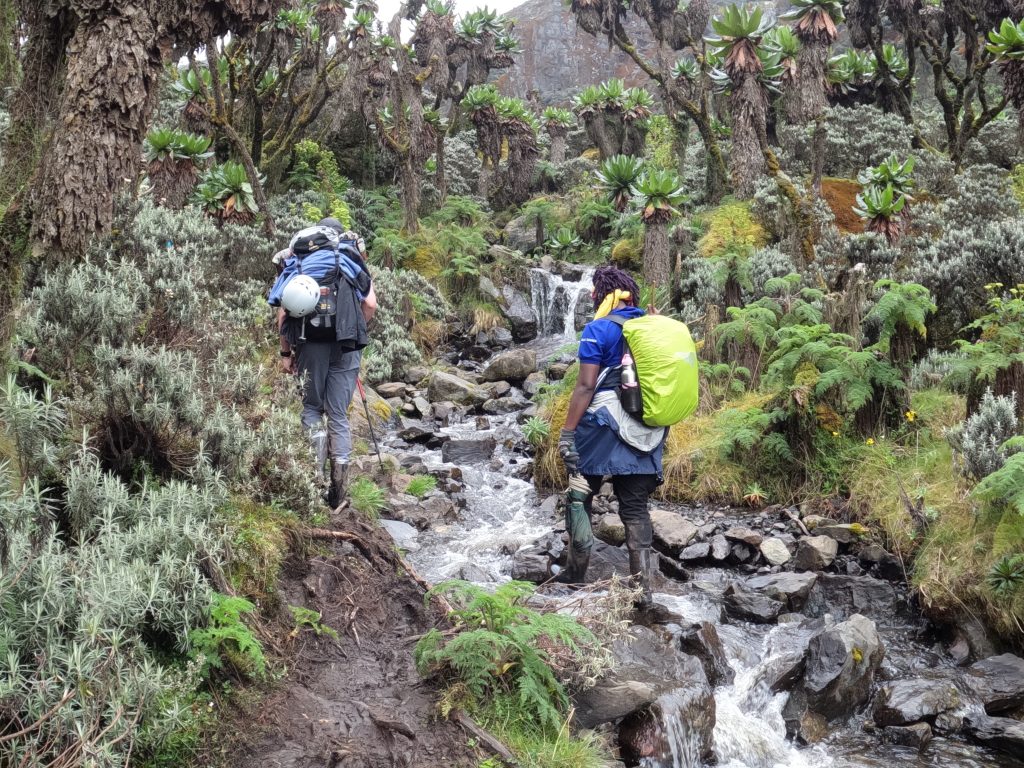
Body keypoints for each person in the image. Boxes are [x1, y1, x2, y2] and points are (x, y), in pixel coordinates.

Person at [557, 265, 677, 623]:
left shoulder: (598, 329)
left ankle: (574, 577)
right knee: (635, 509)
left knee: (579, 496)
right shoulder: (653, 327)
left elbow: (585, 386)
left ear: (603, 294)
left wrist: (567, 433)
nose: (593, 297)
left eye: (596, 292)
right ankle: (642, 594)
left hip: (601, 432)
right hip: (647, 433)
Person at [271, 217, 377, 505]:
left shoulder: (300, 262)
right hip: (347, 347)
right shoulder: (350, 260)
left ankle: (314, 484)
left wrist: (285, 354)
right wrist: (353, 329)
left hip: (310, 345)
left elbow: (283, 313)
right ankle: (339, 494)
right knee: (338, 415)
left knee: (311, 409)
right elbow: (370, 304)